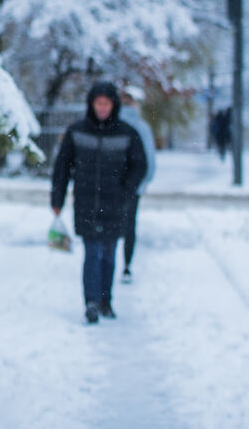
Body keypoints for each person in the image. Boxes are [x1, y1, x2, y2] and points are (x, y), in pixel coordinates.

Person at [51, 81, 148, 324]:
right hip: (86, 203)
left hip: (115, 205)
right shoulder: (77, 132)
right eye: (98, 103)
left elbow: (139, 166)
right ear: (91, 104)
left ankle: (106, 300)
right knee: (92, 252)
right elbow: (62, 167)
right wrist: (57, 198)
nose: (102, 108)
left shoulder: (127, 133)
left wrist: (126, 192)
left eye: (106, 103)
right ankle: (92, 302)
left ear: (113, 105)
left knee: (108, 253)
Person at [118, 85, 155, 284]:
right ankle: (126, 265)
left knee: (111, 225)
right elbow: (149, 158)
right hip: (135, 185)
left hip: (112, 184)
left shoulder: (111, 124)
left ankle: (110, 263)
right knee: (130, 224)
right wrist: (145, 180)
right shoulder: (142, 127)